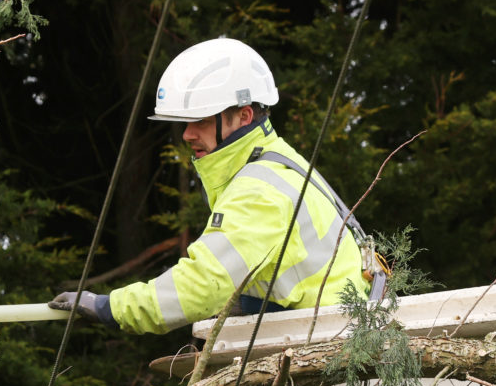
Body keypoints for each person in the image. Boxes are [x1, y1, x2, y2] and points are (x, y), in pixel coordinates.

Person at [49, 37, 380, 333]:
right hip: (334, 330)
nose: (188, 134)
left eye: (202, 121)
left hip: (333, 343)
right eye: (186, 122)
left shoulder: (259, 190)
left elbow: (203, 284)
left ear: (244, 116)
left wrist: (110, 308)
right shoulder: (277, 161)